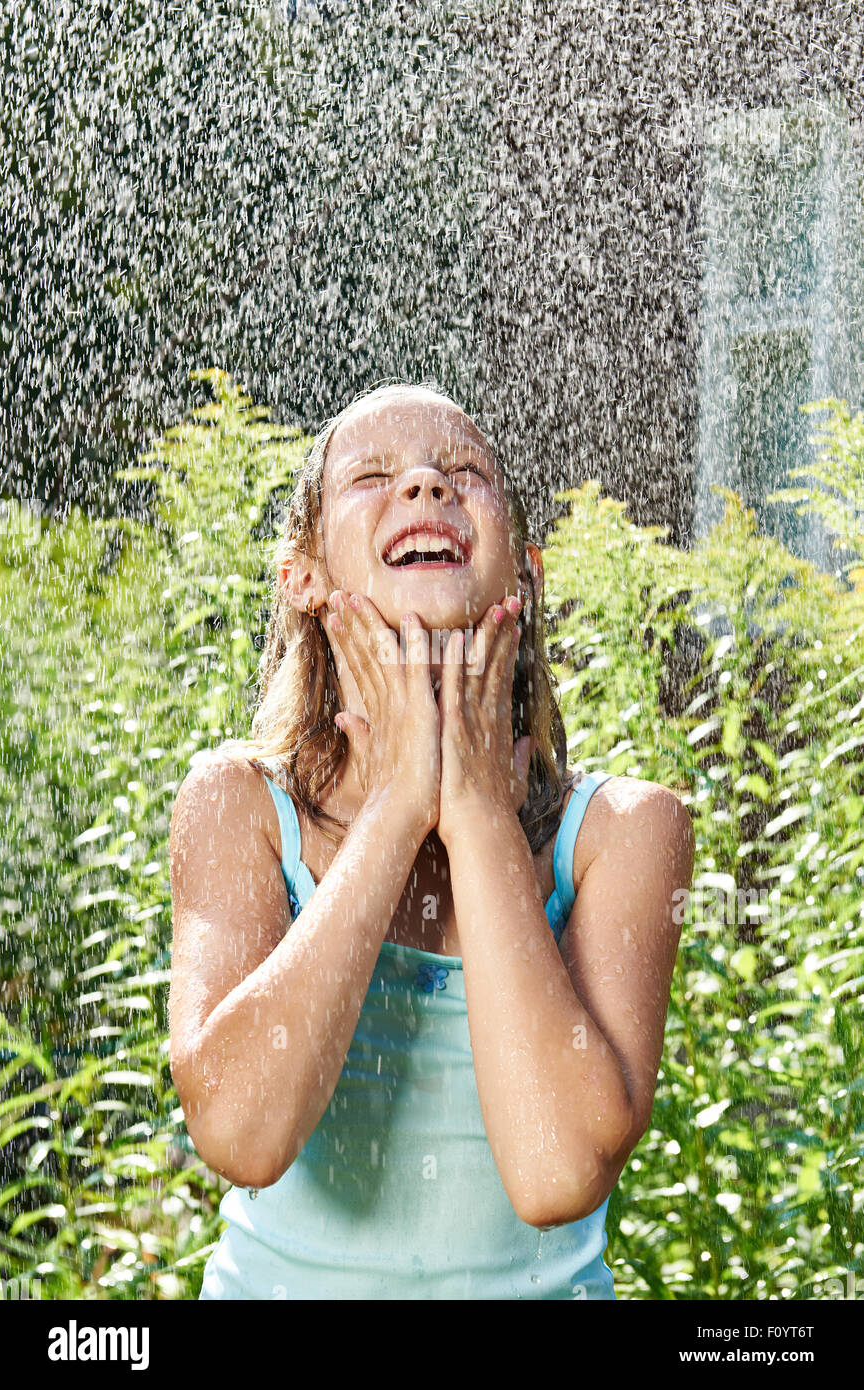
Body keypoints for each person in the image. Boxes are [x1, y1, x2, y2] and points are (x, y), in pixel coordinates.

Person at [168, 380, 695, 1300]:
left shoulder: (621, 832)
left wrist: (479, 814)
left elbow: (556, 1173)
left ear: (524, 573)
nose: (423, 487)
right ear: (305, 575)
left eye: (464, 473)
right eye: (373, 475)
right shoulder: (237, 807)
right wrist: (397, 808)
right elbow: (243, 1138)